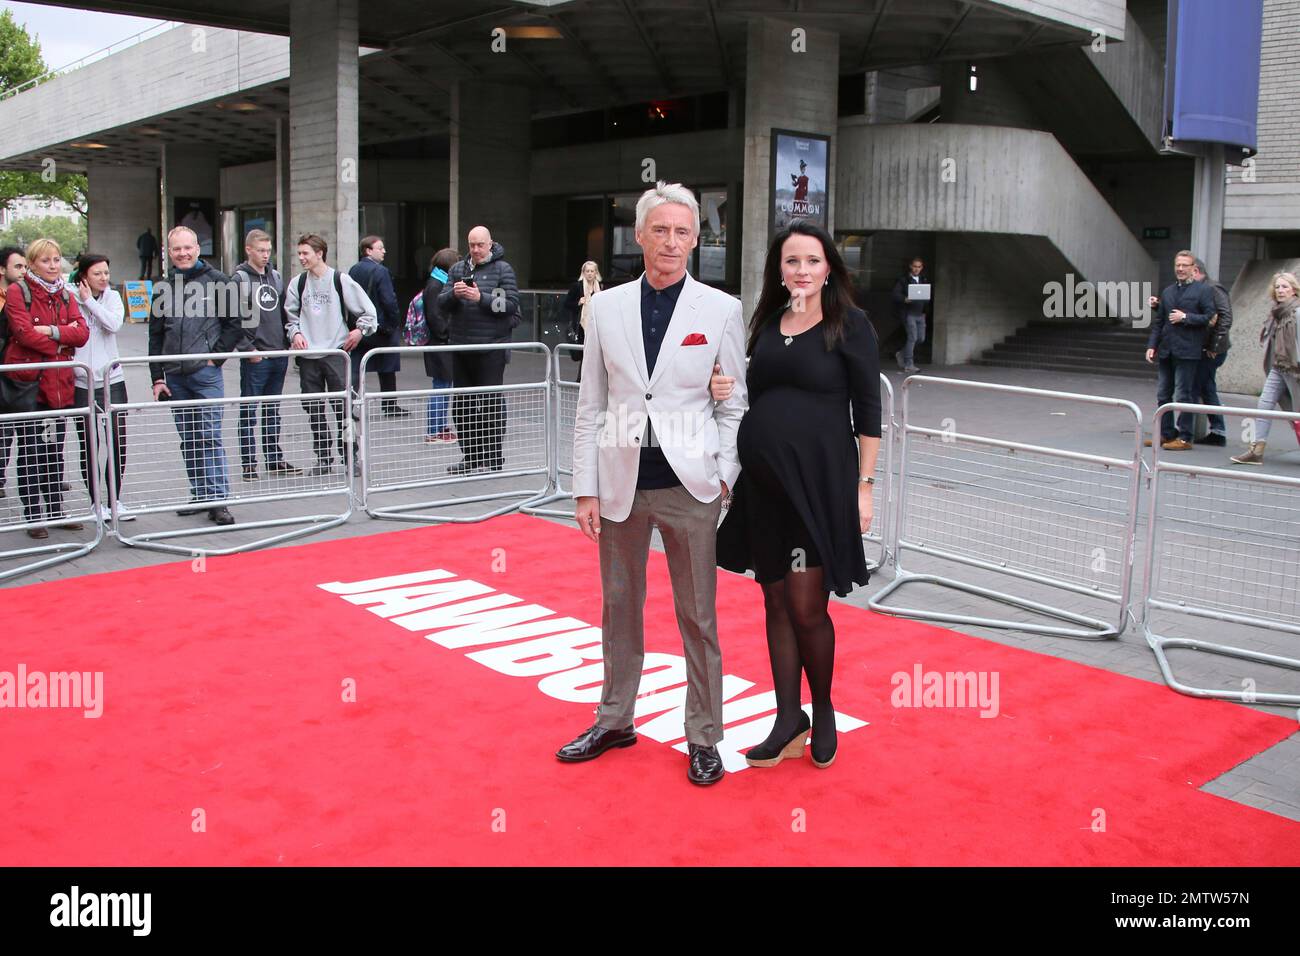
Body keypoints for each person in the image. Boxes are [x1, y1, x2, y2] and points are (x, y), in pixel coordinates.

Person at [558, 181, 748, 786]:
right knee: (619, 610)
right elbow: (592, 404)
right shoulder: (606, 307)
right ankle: (614, 719)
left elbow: (735, 402)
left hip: (690, 487)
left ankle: (704, 735)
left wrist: (724, 474)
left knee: (698, 615)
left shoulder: (720, 309)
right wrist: (584, 487)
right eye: (659, 230)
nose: (671, 242)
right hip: (620, 485)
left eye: (683, 231)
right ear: (638, 235)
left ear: (698, 237)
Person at [710, 220, 882, 769]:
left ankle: (824, 708)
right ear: (778, 269)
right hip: (764, 488)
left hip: (820, 487)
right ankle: (789, 717)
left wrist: (865, 487)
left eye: (811, 261)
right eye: (791, 262)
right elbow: (745, 393)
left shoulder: (850, 325)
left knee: (807, 605)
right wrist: (721, 387)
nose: (801, 271)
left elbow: (870, 416)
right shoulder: (764, 322)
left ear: (829, 266)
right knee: (775, 599)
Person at [148, 225, 240, 526]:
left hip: (205, 374)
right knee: (188, 439)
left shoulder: (219, 282)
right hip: (175, 377)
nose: (183, 253)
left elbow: (234, 324)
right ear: (169, 252)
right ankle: (200, 494)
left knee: (209, 435)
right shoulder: (163, 286)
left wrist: (215, 358)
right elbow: (155, 336)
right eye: (177, 249)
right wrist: (157, 377)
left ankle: (219, 500)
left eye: (188, 248)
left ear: (198, 249)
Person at [3, 238, 89, 539]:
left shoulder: (65, 295)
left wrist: (53, 332)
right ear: (33, 263)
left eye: (56, 260)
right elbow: (24, 334)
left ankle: (55, 510)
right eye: (45, 261)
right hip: (29, 385)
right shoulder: (18, 292)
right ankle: (33, 515)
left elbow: (83, 333)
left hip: (60, 386)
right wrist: (61, 345)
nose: (53, 266)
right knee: (30, 451)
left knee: (54, 450)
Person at [284, 233, 377, 478]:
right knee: (314, 410)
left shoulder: (340, 280)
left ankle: (350, 456)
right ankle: (323, 457)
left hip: (336, 353)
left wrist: (359, 330)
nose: (301, 258)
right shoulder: (298, 283)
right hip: (308, 358)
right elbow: (290, 317)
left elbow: (369, 312)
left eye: (305, 253)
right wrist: (295, 334)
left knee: (344, 410)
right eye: (299, 253)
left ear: (319, 253)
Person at [437, 225, 520, 474]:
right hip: (461, 346)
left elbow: (510, 305)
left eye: (480, 245)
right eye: (472, 245)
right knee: (462, 406)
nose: (475, 250)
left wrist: (479, 298)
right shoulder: (457, 269)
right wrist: (454, 293)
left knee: (491, 404)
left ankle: (493, 457)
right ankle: (470, 456)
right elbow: (441, 303)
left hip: (491, 348)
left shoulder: (503, 269)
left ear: (490, 244)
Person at [233, 229, 301, 481]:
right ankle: (249, 463)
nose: (265, 255)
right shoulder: (239, 278)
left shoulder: (275, 276)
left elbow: (284, 312)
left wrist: (288, 339)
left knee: (273, 409)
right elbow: (232, 318)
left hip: (278, 352)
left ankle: (274, 459)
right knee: (249, 410)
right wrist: (247, 349)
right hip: (255, 356)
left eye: (268, 250)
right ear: (248, 249)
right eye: (260, 250)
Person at [69, 253, 133, 522]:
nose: (104, 278)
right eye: (97, 274)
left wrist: (90, 303)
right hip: (82, 381)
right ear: (84, 276)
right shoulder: (69, 296)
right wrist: (81, 300)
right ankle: (96, 504)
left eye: (106, 272)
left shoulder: (113, 297)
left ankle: (115, 500)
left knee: (117, 441)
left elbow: (113, 324)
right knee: (89, 444)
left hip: (112, 379)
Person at [1144, 250, 1217, 450]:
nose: (1181, 269)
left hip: (1188, 350)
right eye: (1178, 265)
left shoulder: (1203, 291)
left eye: (1185, 265)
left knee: (1184, 394)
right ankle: (1167, 434)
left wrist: (1185, 318)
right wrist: (1152, 346)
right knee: (1163, 393)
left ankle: (1185, 437)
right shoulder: (1168, 292)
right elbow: (1159, 322)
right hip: (1167, 350)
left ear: (1194, 269)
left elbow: (1209, 317)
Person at [1230, 272, 1300, 465]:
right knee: (1264, 404)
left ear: (1294, 289)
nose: (1280, 290)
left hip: (1295, 370)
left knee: (1298, 414)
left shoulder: (1298, 311)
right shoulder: (1276, 312)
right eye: (1277, 287)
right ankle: (1257, 449)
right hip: (1278, 367)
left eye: (1285, 287)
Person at [348, 235, 407, 418]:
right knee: (387, 366)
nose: (384, 251)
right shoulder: (381, 271)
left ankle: (349, 404)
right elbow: (389, 300)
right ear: (368, 250)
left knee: (356, 366)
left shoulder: (353, 270)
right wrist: (394, 322)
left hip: (359, 326)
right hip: (381, 326)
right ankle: (389, 405)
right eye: (380, 248)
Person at [1191, 258, 1233, 447]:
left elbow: (1225, 317)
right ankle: (1217, 431)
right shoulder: (1200, 288)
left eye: (1186, 267)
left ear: (1196, 270)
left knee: (1202, 387)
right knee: (1205, 386)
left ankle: (1216, 430)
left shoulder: (1213, 288)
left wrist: (1214, 346)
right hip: (1205, 347)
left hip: (1211, 349)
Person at [420, 248, 458, 444]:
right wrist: (446, 335)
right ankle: (434, 430)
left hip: (439, 342)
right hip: (440, 343)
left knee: (443, 385)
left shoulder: (436, 282)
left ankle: (440, 427)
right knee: (441, 386)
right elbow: (436, 317)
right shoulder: (436, 285)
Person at [0, 245, 27, 496]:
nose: (23, 272)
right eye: (17, 266)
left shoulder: (27, 297)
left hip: (19, 373)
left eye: (25, 267)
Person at [562, 260, 602, 380]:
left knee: (593, 353)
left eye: (592, 271)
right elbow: (566, 304)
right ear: (583, 273)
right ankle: (582, 379)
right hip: (581, 325)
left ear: (596, 273)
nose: (590, 273)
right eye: (587, 271)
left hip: (595, 323)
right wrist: (578, 302)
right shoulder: (577, 286)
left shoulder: (600, 287)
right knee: (584, 352)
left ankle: (587, 379)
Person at [891, 256, 930, 373]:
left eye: (919, 267)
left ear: (922, 268)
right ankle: (909, 364)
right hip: (909, 314)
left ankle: (901, 354)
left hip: (920, 314)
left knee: (920, 338)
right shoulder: (903, 280)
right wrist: (904, 299)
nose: (916, 269)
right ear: (910, 267)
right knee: (912, 337)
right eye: (914, 266)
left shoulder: (924, 279)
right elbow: (895, 295)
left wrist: (925, 312)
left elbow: (927, 298)